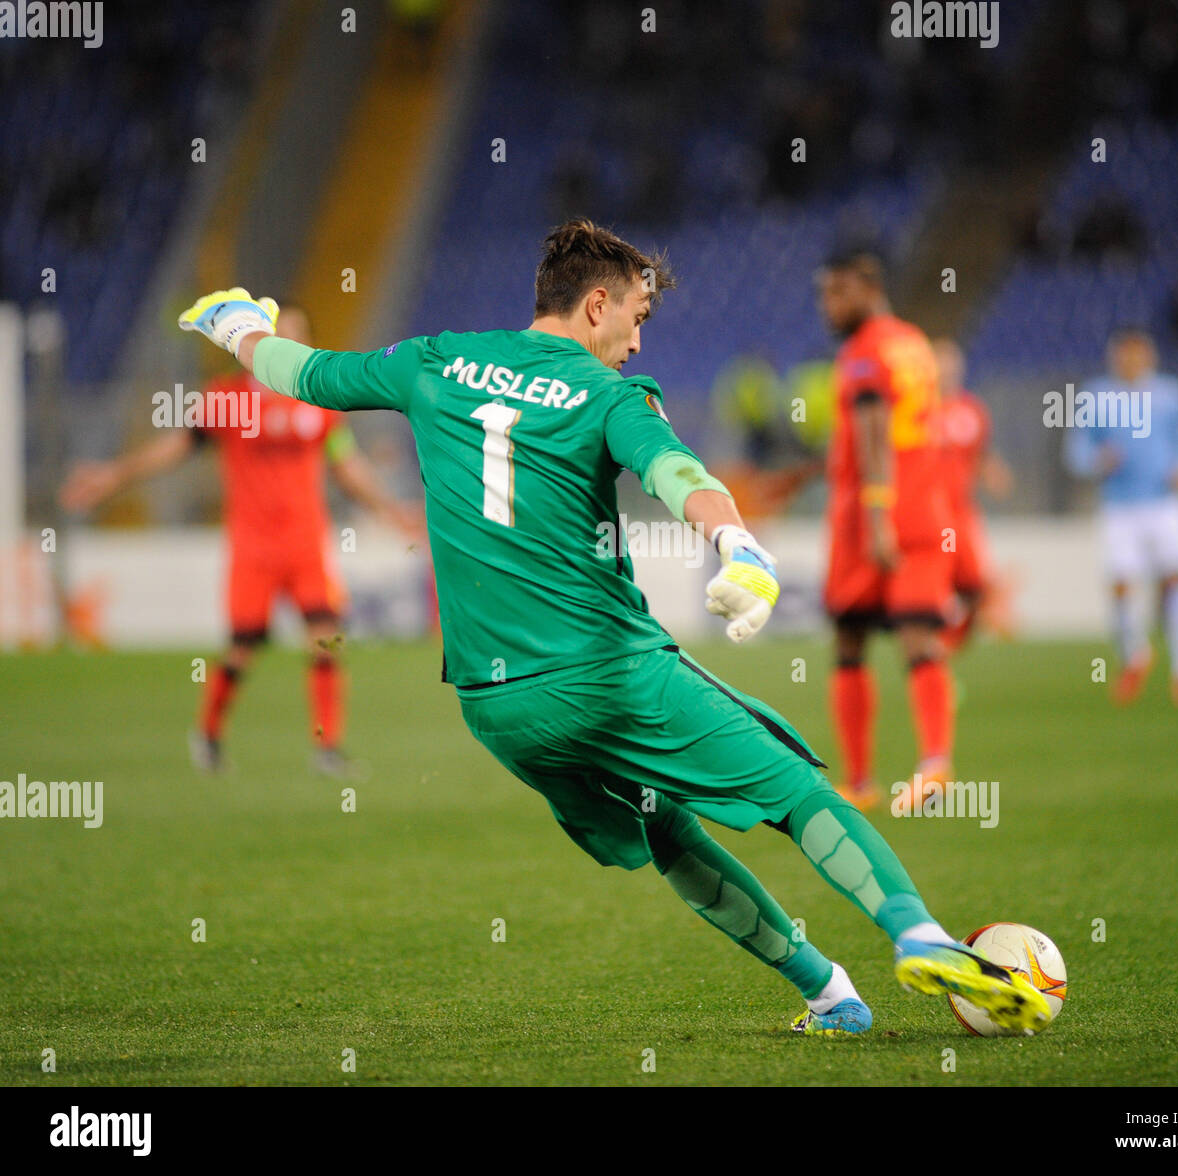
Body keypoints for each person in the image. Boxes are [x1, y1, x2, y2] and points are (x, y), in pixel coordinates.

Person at [174, 219, 1049, 1037]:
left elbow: (302, 373)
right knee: (793, 786)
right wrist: (737, 545)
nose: (637, 340)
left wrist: (237, 325)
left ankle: (828, 992)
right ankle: (919, 934)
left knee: (665, 826)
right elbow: (675, 469)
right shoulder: (605, 392)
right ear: (596, 304)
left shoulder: (434, 359)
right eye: (634, 316)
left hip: (497, 710)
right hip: (606, 673)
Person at [61, 305, 424, 775]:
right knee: (242, 649)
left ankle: (327, 747)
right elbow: (176, 447)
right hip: (253, 548)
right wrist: (115, 475)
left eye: (297, 337)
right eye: (279, 336)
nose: (288, 345)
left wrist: (392, 511)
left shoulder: (319, 403)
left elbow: (346, 465)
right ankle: (208, 735)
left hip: (305, 545)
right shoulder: (226, 399)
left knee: (326, 640)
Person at [818, 243, 955, 813]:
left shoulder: (865, 350)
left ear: (868, 287)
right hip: (925, 501)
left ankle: (863, 779)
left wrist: (876, 513)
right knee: (908, 632)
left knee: (859, 639)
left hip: (873, 513)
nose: (827, 305)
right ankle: (930, 764)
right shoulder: (914, 342)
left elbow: (875, 430)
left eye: (836, 291)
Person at [1065, 327, 1178, 707]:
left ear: (1150, 357)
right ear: (1114, 357)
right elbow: (1077, 449)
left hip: (1166, 502)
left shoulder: (1171, 394)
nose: (1130, 361)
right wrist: (1096, 461)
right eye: (1123, 354)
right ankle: (1134, 654)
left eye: (1137, 354)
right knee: (1121, 584)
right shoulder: (1095, 396)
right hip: (1119, 505)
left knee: (1177, 581)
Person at [932, 338, 1013, 651]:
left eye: (951, 362)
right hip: (928, 515)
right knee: (930, 589)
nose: (946, 369)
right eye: (939, 362)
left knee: (975, 588)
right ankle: (934, 652)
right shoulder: (917, 409)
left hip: (961, 514)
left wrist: (991, 471)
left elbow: (979, 454)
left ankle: (948, 645)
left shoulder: (973, 410)